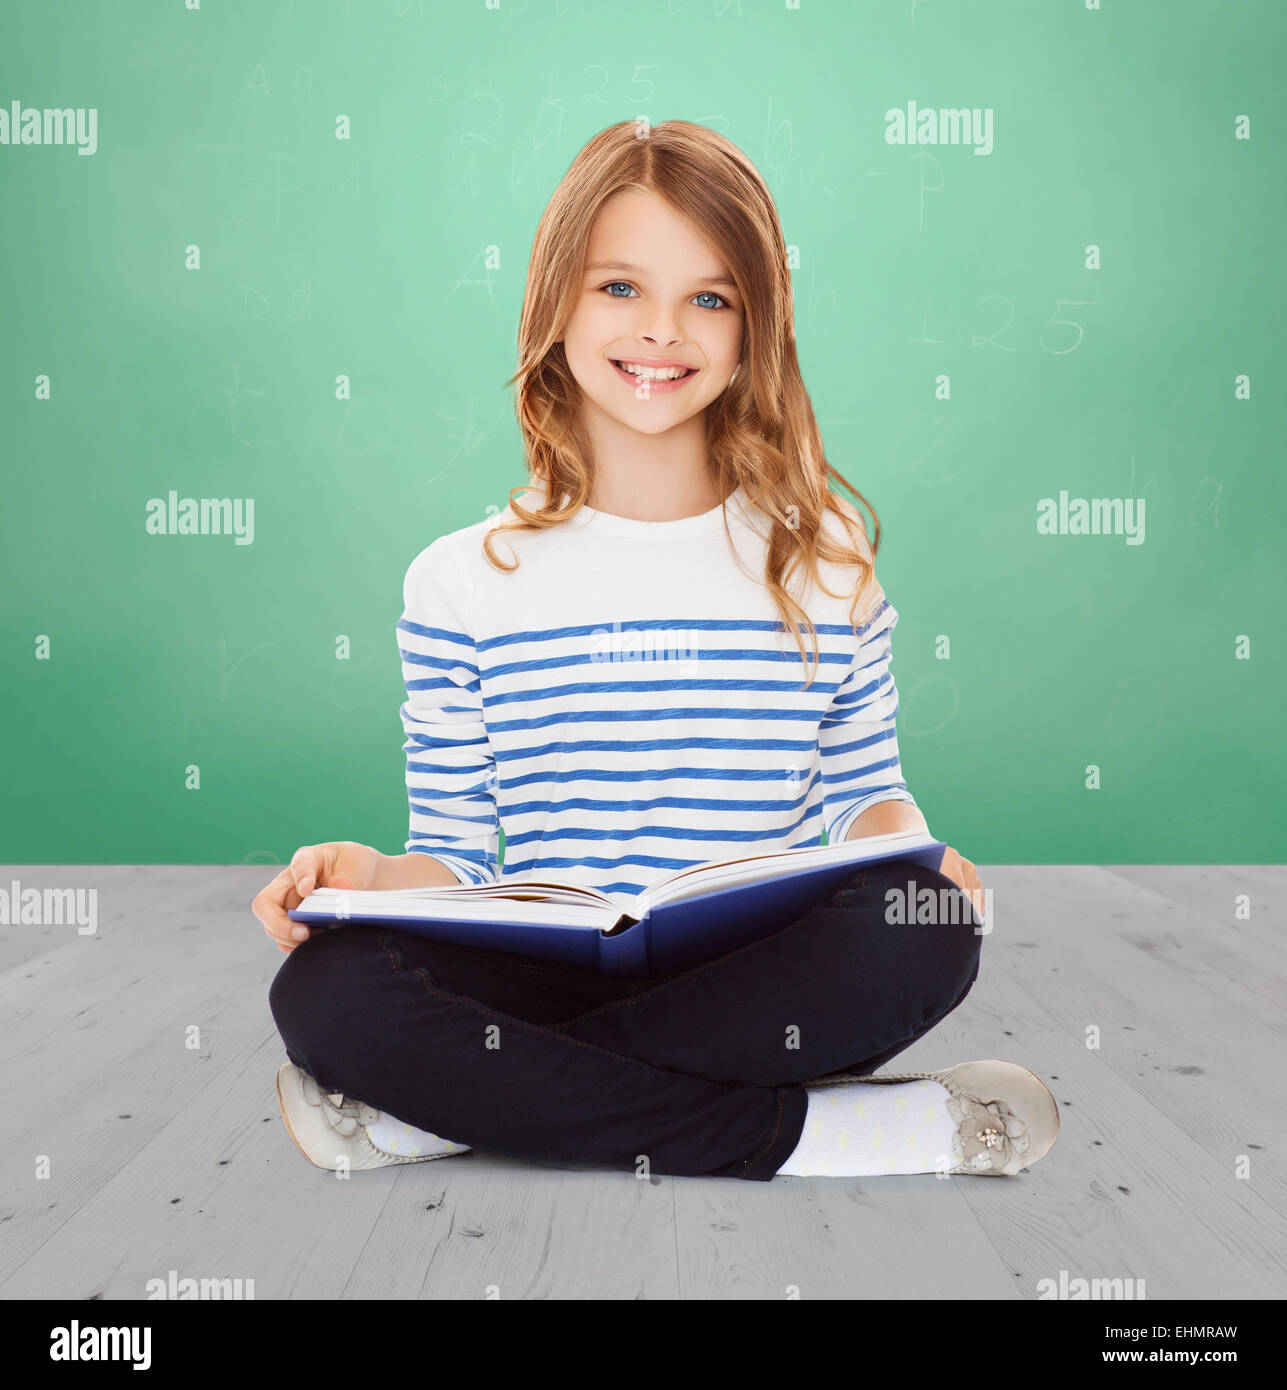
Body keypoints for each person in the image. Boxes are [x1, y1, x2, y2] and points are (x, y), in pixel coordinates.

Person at [254, 120, 1058, 1182]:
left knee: (925, 926)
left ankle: (449, 1114)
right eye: (620, 288)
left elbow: (869, 794)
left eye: (710, 297)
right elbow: (453, 854)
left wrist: (917, 858)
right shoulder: (456, 581)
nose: (662, 332)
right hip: (540, 980)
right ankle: (840, 1136)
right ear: (556, 304)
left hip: (754, 981)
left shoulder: (826, 561)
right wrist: (369, 877)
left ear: (751, 327)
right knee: (326, 992)